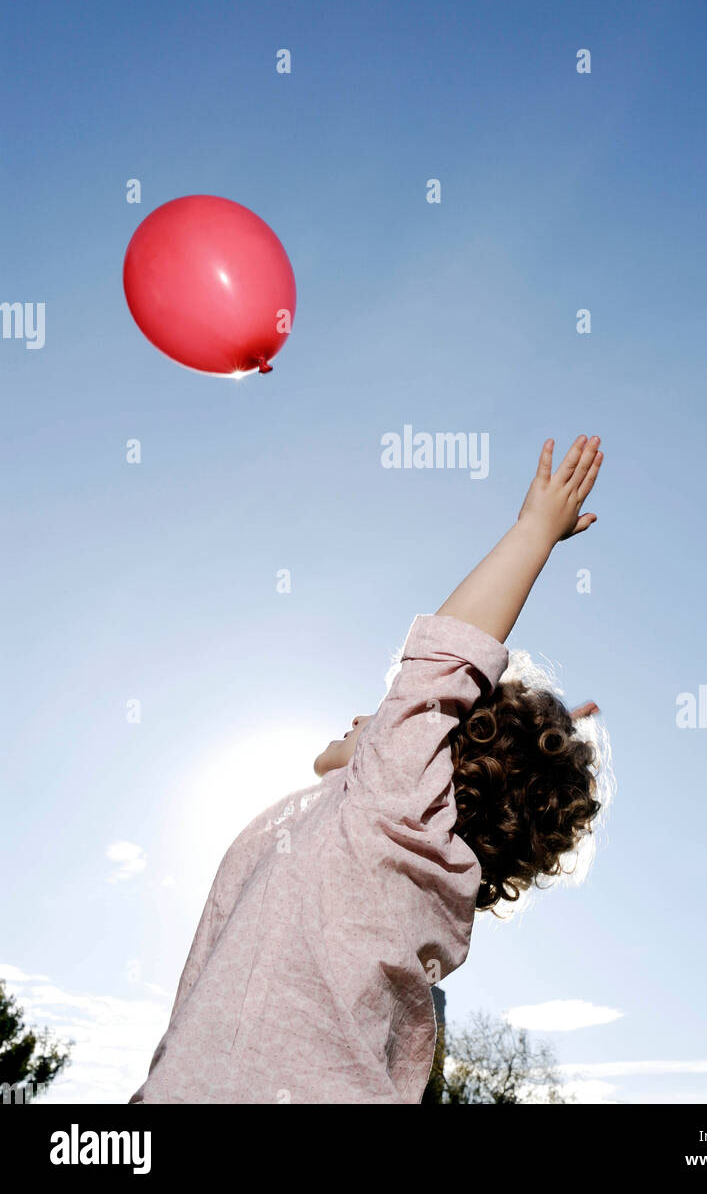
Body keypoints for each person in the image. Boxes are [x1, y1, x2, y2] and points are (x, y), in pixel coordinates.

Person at [129, 433, 606, 1104]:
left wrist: (535, 530)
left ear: (439, 761)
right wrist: (537, 752)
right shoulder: (389, 846)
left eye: (392, 717)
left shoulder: (390, 807)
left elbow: (444, 661)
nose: (367, 718)